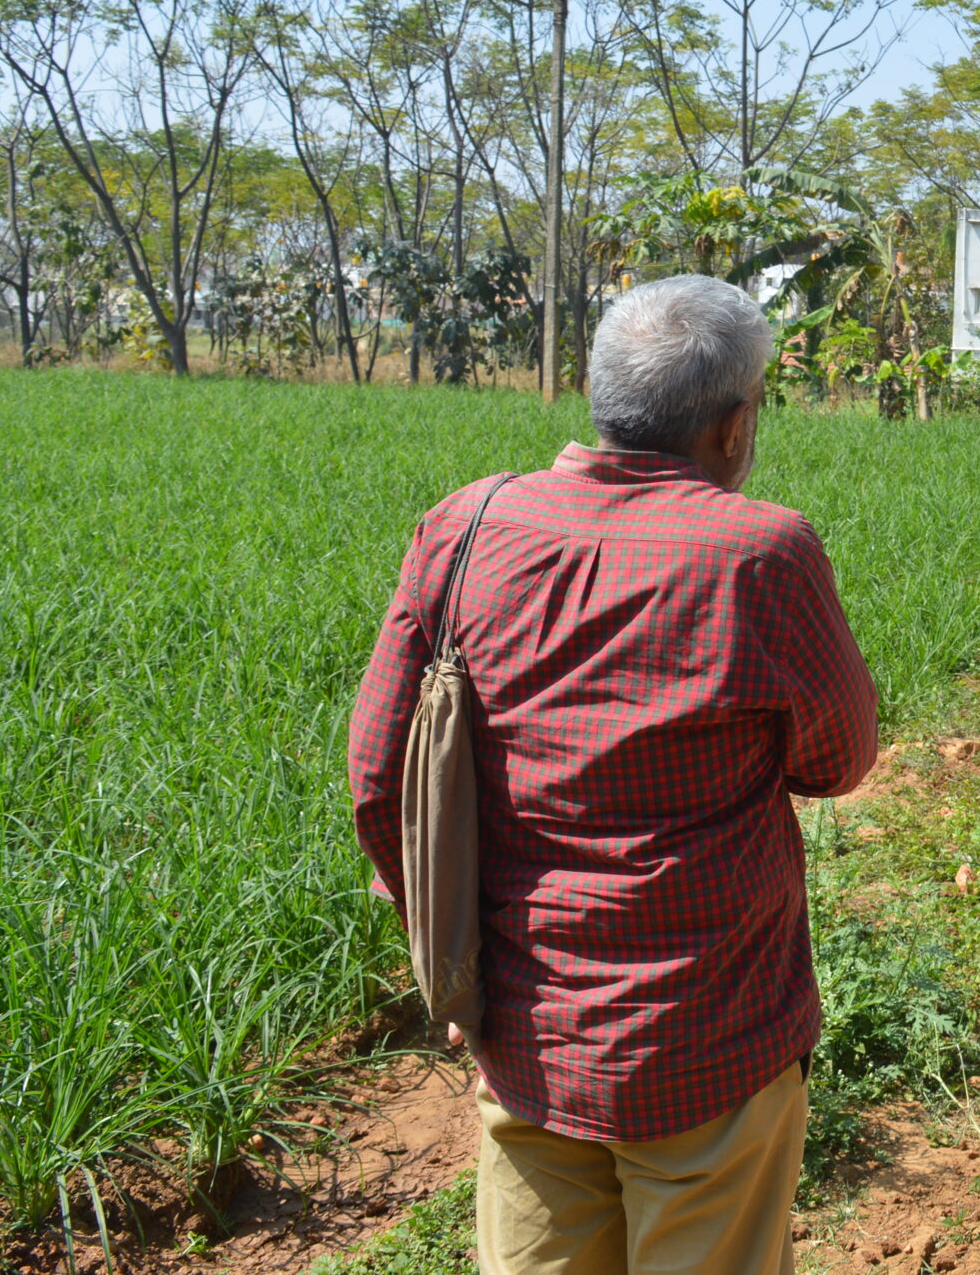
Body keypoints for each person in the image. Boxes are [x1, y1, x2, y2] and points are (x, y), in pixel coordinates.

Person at [350, 274, 878, 1275]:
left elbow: (380, 783)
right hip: (710, 1045)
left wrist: (454, 961)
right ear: (732, 427)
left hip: (525, 1039)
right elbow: (838, 761)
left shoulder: (464, 529)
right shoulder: (759, 552)